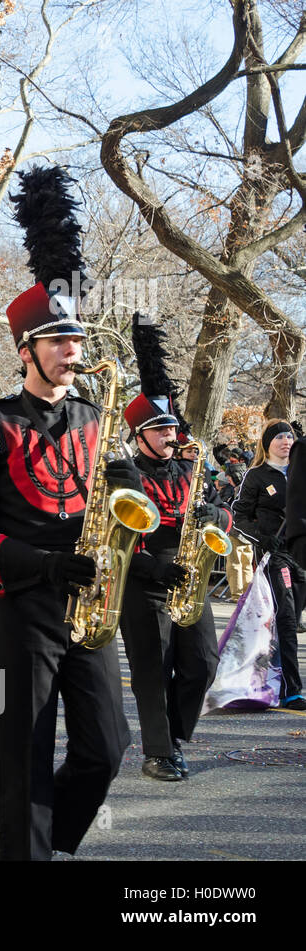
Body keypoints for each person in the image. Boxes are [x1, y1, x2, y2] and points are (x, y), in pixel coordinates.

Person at [0, 166, 133, 860]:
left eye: (77, 342)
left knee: (107, 748)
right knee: (23, 758)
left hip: (90, 604)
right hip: (24, 605)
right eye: (58, 342)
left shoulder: (98, 417)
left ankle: (49, 837)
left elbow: (122, 506)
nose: (72, 353)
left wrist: (130, 501)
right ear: (25, 348)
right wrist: (42, 561)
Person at [118, 313, 234, 780]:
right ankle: (159, 752)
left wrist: (215, 516)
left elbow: (225, 513)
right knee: (153, 670)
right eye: (161, 430)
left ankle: (175, 735)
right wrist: (150, 569)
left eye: (172, 429)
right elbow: (118, 539)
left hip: (190, 574)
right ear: (140, 434)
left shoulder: (189, 470)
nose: (171, 435)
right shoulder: (125, 474)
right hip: (145, 579)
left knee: (203, 662)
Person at [233, 419, 305, 710]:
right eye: (279, 438)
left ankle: (267, 678)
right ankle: (292, 690)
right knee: (286, 620)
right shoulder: (257, 476)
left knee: (285, 622)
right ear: (267, 444)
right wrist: (262, 538)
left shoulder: (301, 473)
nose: (286, 441)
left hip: (301, 555)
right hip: (274, 557)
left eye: (289, 437)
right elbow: (239, 518)